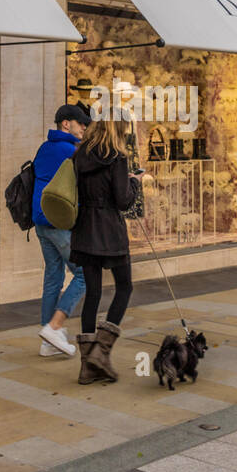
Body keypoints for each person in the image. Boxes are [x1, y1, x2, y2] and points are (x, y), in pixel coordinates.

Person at [70, 117, 141, 384]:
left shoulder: (80, 156)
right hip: (110, 231)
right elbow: (123, 201)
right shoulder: (117, 158)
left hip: (84, 230)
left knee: (93, 293)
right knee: (124, 286)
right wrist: (135, 183)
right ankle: (101, 351)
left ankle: (87, 367)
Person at [31, 102, 92, 358]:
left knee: (53, 278)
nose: (84, 129)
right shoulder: (70, 151)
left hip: (41, 222)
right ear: (66, 124)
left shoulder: (45, 148)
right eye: (81, 124)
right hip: (58, 223)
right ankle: (55, 327)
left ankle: (47, 342)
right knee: (84, 274)